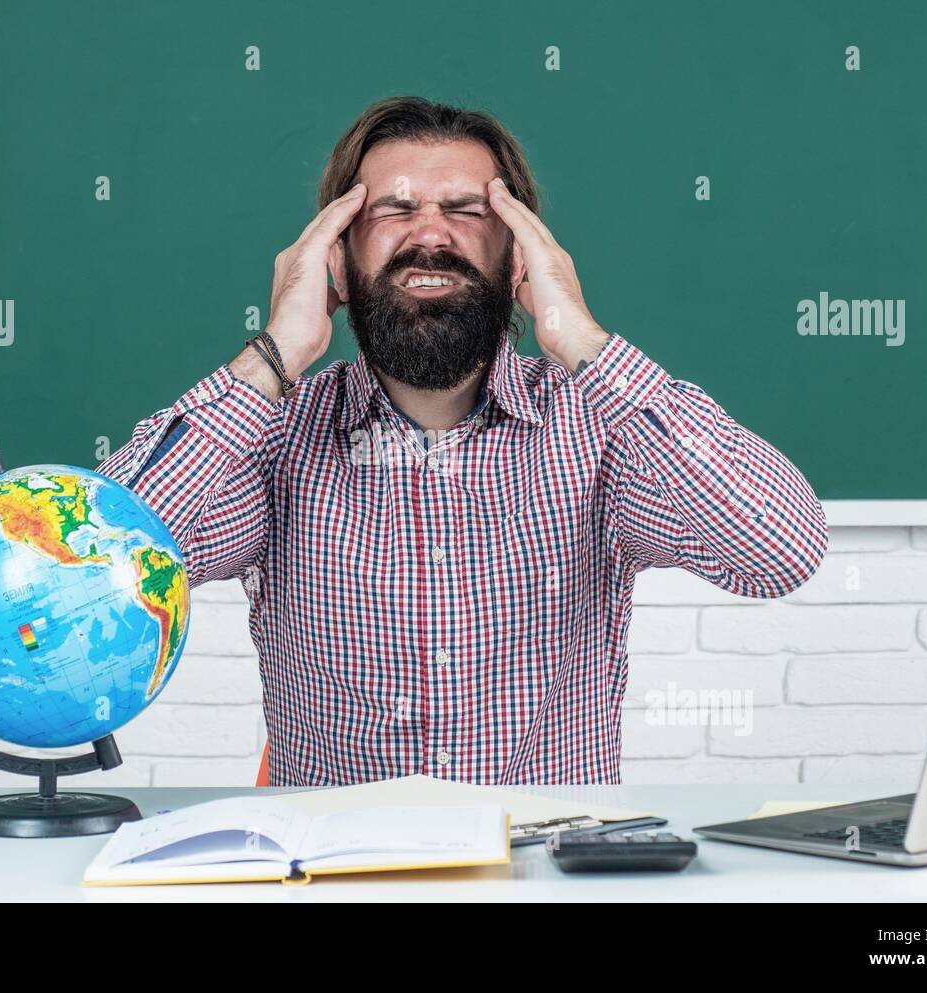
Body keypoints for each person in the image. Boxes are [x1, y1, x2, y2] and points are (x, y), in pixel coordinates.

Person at [98, 96, 828, 785]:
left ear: (518, 257)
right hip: (338, 875)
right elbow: (90, 566)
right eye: (395, 208)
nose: (431, 234)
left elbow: (779, 550)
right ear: (337, 256)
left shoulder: (599, 432)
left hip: (543, 873)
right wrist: (275, 351)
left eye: (465, 210)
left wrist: (580, 338)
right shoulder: (273, 438)